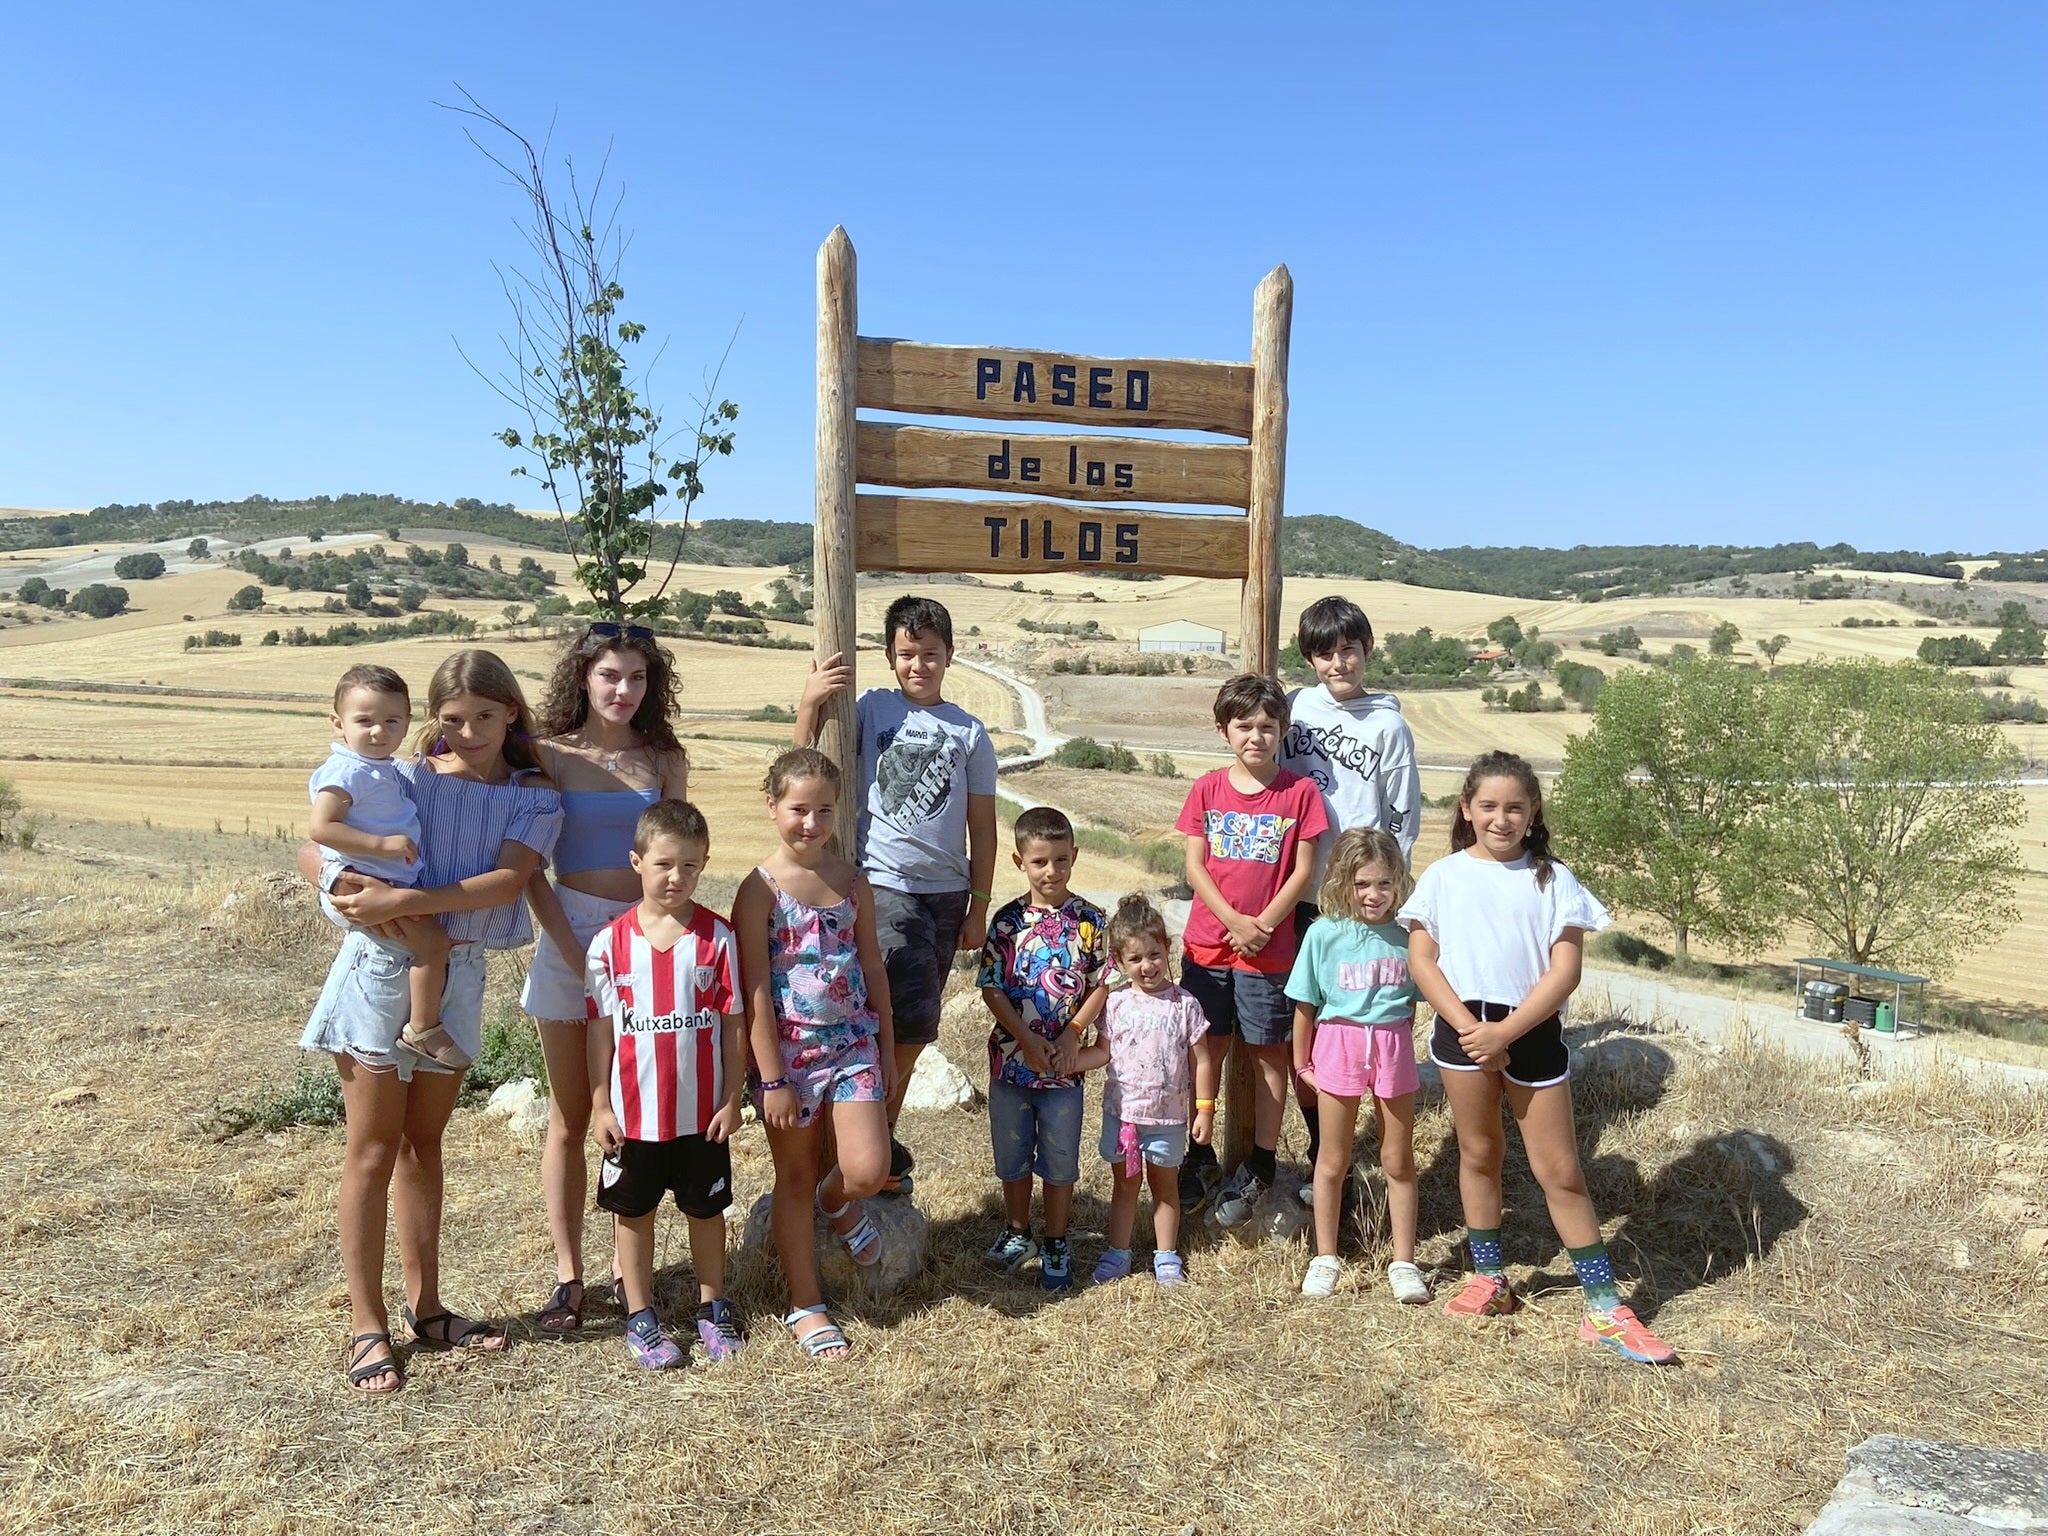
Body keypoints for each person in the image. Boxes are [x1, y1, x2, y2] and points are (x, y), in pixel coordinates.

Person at [298, 649, 563, 1394]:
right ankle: (367, 1324)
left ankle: (428, 1309)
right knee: (372, 1150)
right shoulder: (403, 775)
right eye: (454, 719)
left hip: (458, 975)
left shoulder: (533, 795)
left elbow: (506, 882)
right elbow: (311, 844)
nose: (469, 732)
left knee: (424, 1145)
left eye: (484, 716)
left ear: (511, 713)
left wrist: (402, 903)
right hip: (383, 971)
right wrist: (347, 883)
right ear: (434, 722)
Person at [1399, 750, 1676, 1365]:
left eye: (1515, 808)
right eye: (1488, 806)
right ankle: (1490, 1280)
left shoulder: (1555, 879)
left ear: (1533, 813)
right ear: (1466, 809)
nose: (1501, 819)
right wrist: (1472, 1030)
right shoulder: (1442, 877)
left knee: (1560, 1170)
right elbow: (1423, 960)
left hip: (1532, 1033)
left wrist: (1506, 1033)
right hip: (1463, 1032)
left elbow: (1565, 971)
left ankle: (1603, 1307)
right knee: (1478, 1154)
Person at [795, 594, 996, 1199]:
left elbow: (982, 826)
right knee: (896, 1021)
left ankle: (878, 1142)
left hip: (946, 894)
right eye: (907, 654)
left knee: (914, 1027)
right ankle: (870, 1147)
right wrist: (808, 704)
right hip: (884, 886)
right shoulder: (870, 709)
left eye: (930, 654)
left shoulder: (969, 731)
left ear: (950, 656)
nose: (918, 665)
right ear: (889, 656)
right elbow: (806, 766)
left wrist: (979, 905)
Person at [519, 622, 690, 1335]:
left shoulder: (663, 757)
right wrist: (571, 951)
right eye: (610, 676)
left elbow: (678, 850)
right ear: (583, 678)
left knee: (638, 1113)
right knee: (569, 1118)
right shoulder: (549, 754)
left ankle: (629, 1270)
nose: (624, 690)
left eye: (638, 677)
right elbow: (529, 866)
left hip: (646, 939)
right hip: (570, 934)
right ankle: (569, 1276)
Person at [732, 748, 895, 1360]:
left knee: (867, 1170)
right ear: (772, 806)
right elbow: (753, 988)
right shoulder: (759, 890)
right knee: (795, 1177)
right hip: (791, 1056)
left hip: (853, 1045)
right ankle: (806, 1304)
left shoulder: (853, 882)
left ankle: (838, 1203)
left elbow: (871, 965)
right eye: (799, 809)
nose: (811, 822)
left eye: (824, 810)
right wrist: (771, 1076)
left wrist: (886, 1046)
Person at [585, 800, 746, 1369]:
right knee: (634, 1213)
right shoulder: (609, 945)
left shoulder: (718, 938)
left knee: (706, 1211)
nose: (676, 877)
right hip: (635, 1116)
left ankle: (712, 1307)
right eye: (663, 864)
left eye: (690, 866)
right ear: (637, 862)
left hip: (701, 1115)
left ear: (704, 866)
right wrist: (601, 1105)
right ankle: (640, 1315)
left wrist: (732, 1096)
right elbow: (600, 1032)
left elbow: (733, 1024)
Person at [1173, 673, 1327, 1226]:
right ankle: (1199, 1151)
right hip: (1209, 945)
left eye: (1267, 726)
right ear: (1224, 731)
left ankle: (1261, 1162)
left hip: (1269, 949)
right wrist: (1234, 921)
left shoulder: (1299, 794)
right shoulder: (1207, 789)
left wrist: (1260, 925)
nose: (1255, 736)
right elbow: (1195, 866)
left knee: (1269, 1055)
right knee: (1205, 1049)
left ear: (1282, 731)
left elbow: (1303, 870)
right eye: (1244, 726)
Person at [1278, 595, 1421, 1183]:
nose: (1339, 663)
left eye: (1349, 650)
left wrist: (1386, 894)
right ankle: (1324, 1151)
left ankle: (1367, 1154)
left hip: (1358, 901)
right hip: (1297, 892)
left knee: (1358, 1018)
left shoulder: (1388, 725)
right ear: (1310, 658)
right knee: (1304, 1024)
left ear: (1367, 650)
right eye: (1326, 654)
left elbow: (1402, 817)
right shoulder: (1295, 708)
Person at [1286, 828, 1428, 1302]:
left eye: (1384, 883)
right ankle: (1325, 1257)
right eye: (1362, 883)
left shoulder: (1409, 938)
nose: (1373, 894)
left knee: (1397, 1158)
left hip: (1392, 1048)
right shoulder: (1323, 934)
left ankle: (1404, 1262)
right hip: (1338, 1046)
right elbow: (1305, 1004)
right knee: (1333, 1159)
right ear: (1342, 882)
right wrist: (1302, 1064)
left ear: (1399, 883)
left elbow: (1415, 1002)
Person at [976, 806, 1109, 1290]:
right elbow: (992, 987)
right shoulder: (1007, 923)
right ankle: (1018, 1232)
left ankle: (1055, 1240)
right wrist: (1026, 1039)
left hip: (1064, 1070)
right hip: (1011, 1065)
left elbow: (1101, 983)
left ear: (1074, 856)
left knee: (1059, 1159)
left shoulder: (1092, 920)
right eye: (1039, 862)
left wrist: (1073, 1032)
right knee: (1011, 1155)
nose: (1051, 871)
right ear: (1020, 862)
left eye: (1060, 860)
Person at [306, 664, 456, 1066]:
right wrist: (384, 845)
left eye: (391, 721)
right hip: (367, 885)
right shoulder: (347, 770)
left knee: (425, 944)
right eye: (364, 721)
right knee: (434, 943)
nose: (378, 731)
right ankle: (424, 1029)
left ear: (407, 722)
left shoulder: (377, 768)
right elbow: (321, 828)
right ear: (338, 724)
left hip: (383, 882)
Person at [1088, 894, 1211, 1288]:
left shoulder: (1184, 1005)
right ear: (1119, 962)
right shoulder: (1115, 1003)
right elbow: (1102, 1052)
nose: (1147, 966)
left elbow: (1202, 1061)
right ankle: (1118, 1252)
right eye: (1136, 958)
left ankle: (1166, 1255)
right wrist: (1067, 1060)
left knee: (1165, 1187)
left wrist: (1205, 1109)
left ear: (1167, 949)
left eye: (1154, 954)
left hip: (1167, 1119)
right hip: (1123, 1116)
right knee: (1125, 1187)